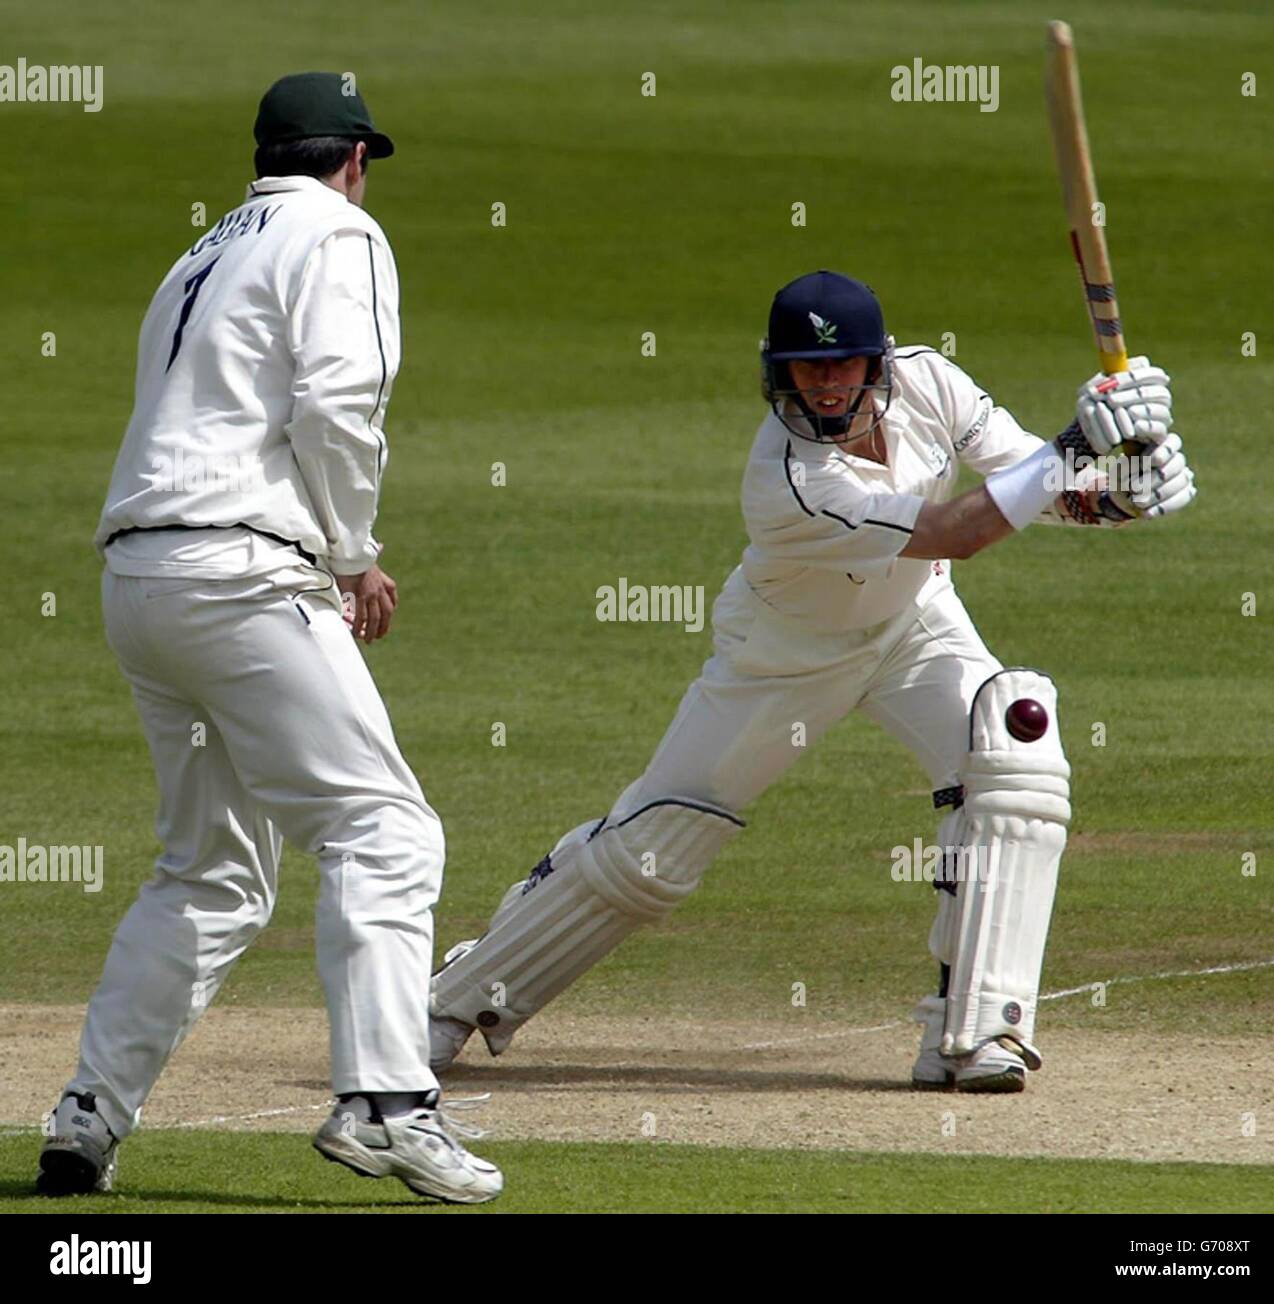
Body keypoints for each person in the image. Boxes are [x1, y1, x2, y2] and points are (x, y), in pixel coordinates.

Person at [426, 268, 1194, 1093]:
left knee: (1016, 742)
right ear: (780, 372)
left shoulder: (934, 379)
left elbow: (1030, 485)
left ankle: (977, 1035)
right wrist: (1080, 443)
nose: (827, 384)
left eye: (844, 365)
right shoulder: (790, 479)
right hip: (785, 653)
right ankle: (456, 1000)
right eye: (806, 368)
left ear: (877, 365)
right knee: (657, 849)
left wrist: (1115, 494)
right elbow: (954, 531)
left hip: (916, 626)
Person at [38, 73, 501, 1203]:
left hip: (140, 578)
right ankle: (386, 1101)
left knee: (212, 870)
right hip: (242, 575)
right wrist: (352, 551)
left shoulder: (199, 251)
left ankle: (84, 1120)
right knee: (383, 830)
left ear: (265, 155)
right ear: (355, 158)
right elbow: (339, 399)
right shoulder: (342, 232)